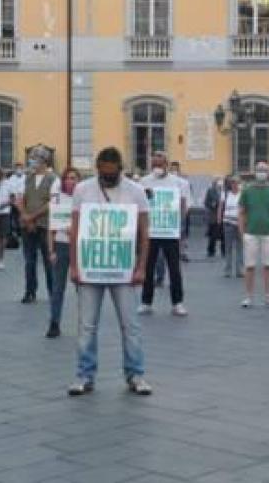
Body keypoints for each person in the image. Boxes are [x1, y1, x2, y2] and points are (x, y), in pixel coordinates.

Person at [67, 147, 152, 397]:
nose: (108, 178)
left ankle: (135, 374)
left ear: (120, 170)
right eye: (104, 175)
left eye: (112, 175)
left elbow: (144, 234)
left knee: (130, 325)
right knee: (86, 326)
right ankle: (85, 375)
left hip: (123, 269)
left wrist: (141, 267)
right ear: (97, 170)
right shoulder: (83, 190)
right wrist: (74, 266)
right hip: (90, 267)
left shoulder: (135, 191)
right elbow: (75, 230)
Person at [138, 151, 189, 316]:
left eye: (160, 164)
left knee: (174, 268)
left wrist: (180, 229)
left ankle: (177, 303)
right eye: (154, 164)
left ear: (166, 164)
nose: (157, 167)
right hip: (151, 231)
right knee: (148, 267)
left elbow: (184, 207)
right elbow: (140, 206)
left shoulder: (179, 183)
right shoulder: (144, 182)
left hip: (170, 232)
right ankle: (146, 302)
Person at [237, 162, 269, 309]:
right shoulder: (247, 191)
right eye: (259, 170)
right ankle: (248, 296)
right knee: (249, 266)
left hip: (268, 234)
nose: (261, 173)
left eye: (264, 170)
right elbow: (241, 212)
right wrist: (242, 232)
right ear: (255, 172)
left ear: (268, 173)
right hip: (251, 233)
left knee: (268, 266)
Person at [17, 147, 56, 305]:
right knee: (29, 261)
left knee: (48, 261)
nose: (32, 161)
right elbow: (21, 198)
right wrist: (25, 216)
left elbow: (52, 202)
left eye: (34, 158)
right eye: (31, 158)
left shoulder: (53, 179)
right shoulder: (28, 178)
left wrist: (32, 217)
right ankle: (30, 291)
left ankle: (53, 292)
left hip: (45, 225)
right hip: (28, 225)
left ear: (43, 161)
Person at [45, 167, 79, 338]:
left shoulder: (83, 199)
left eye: (74, 178)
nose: (70, 181)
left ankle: (85, 322)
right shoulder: (57, 199)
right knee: (58, 287)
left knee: (82, 287)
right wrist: (51, 250)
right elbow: (51, 227)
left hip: (79, 246)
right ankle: (54, 322)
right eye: (68, 178)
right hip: (61, 244)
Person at [219, 177, 243, 278]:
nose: (234, 185)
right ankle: (227, 270)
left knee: (240, 247)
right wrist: (219, 219)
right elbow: (221, 206)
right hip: (228, 223)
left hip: (240, 224)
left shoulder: (242, 194)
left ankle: (239, 270)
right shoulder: (225, 194)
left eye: (236, 183)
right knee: (228, 247)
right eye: (232, 183)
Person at [204, 177, 225, 259]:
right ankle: (211, 250)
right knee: (213, 235)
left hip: (224, 216)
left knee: (223, 235)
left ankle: (224, 251)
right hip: (213, 216)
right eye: (218, 182)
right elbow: (206, 202)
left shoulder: (226, 191)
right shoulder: (210, 191)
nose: (219, 184)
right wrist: (212, 204)